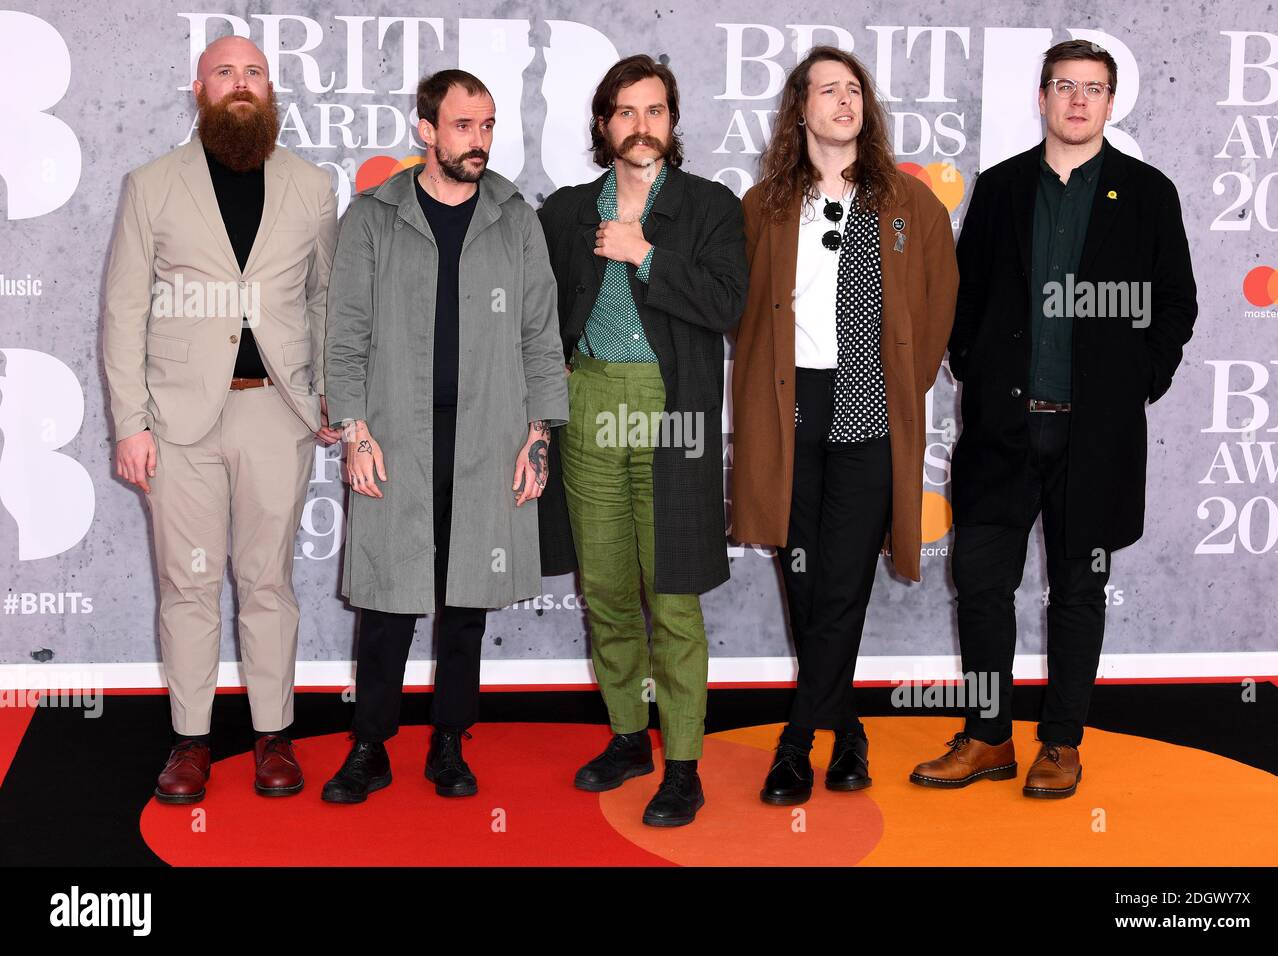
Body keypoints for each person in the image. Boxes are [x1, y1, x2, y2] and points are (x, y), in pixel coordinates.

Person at [910, 40, 1197, 798]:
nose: (1078, 101)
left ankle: (1062, 744)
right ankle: (987, 736)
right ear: (1042, 99)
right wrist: (977, 363)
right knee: (980, 586)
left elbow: (1176, 304)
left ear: (1110, 103)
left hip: (1093, 438)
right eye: (1064, 87)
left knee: (1077, 591)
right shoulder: (1000, 188)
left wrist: (1136, 379)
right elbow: (964, 299)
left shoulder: (1146, 192)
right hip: (1003, 431)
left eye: (1093, 89)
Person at [103, 35, 341, 803]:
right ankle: (192, 741)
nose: (241, 83)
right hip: (178, 423)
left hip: (278, 413)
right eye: (225, 73)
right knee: (188, 585)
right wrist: (128, 423)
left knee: (269, 582)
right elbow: (123, 312)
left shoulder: (310, 186)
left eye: (254, 73)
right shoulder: (151, 186)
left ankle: (274, 736)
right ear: (197, 89)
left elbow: (327, 301)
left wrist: (330, 390)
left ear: (270, 89)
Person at [320, 70, 568, 803]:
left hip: (488, 435)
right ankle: (369, 746)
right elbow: (346, 337)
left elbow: (540, 337)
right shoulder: (372, 216)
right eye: (464, 126)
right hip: (396, 432)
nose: (479, 141)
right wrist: (356, 432)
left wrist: (539, 435)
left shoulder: (515, 218)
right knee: (389, 600)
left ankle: (451, 744)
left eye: (488, 126)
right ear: (426, 130)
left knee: (467, 600)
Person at [730, 46, 958, 805]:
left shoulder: (908, 202)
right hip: (790, 414)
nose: (844, 101)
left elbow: (938, 307)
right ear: (801, 108)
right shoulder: (762, 205)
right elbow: (742, 312)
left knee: (845, 581)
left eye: (854, 89)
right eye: (828, 90)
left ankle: (796, 742)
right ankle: (849, 731)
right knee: (804, 579)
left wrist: (902, 386)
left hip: (869, 413)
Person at [536, 54, 747, 827]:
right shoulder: (562, 212)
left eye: (655, 111)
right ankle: (629, 734)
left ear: (673, 121)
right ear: (603, 124)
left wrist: (645, 255)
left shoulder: (711, 207)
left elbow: (729, 304)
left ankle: (683, 762)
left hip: (671, 408)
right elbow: (536, 321)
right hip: (588, 398)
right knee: (607, 588)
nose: (641, 126)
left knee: (674, 592)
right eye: (626, 112)